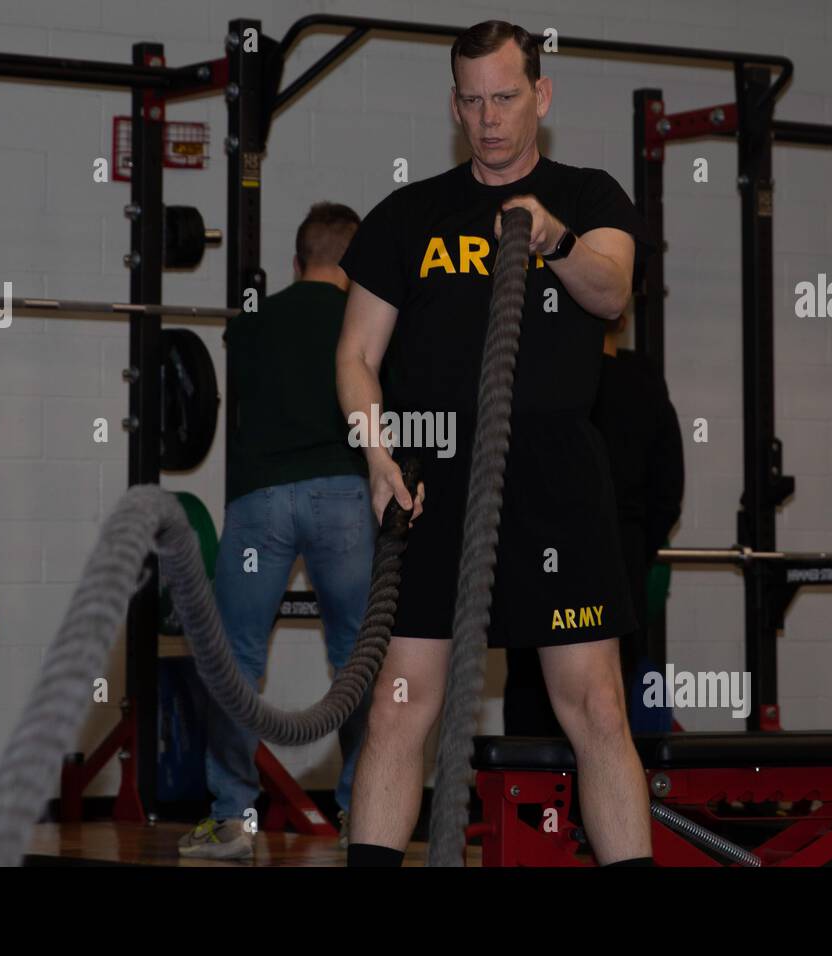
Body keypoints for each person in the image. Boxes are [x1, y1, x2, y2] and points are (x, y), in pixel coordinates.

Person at [336, 20, 658, 867]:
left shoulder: (589, 199)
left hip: (553, 476)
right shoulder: (409, 216)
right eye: (472, 101)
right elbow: (356, 355)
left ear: (540, 96)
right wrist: (376, 452)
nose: (489, 118)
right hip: (435, 478)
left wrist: (552, 239)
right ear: (454, 105)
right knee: (401, 708)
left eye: (506, 97)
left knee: (595, 708)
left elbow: (614, 290)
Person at [179, 202, 374, 861]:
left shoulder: (254, 322)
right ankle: (362, 817)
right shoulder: (361, 317)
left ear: (297, 262)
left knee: (235, 660)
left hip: (261, 502)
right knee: (357, 659)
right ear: (351, 264)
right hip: (344, 498)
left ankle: (234, 821)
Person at [504, 311, 685, 739]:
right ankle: (601, 801)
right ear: (621, 320)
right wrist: (637, 546)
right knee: (608, 687)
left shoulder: (534, 374)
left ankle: (528, 799)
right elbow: (668, 488)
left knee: (532, 674)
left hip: (542, 541)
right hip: (618, 549)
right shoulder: (645, 386)